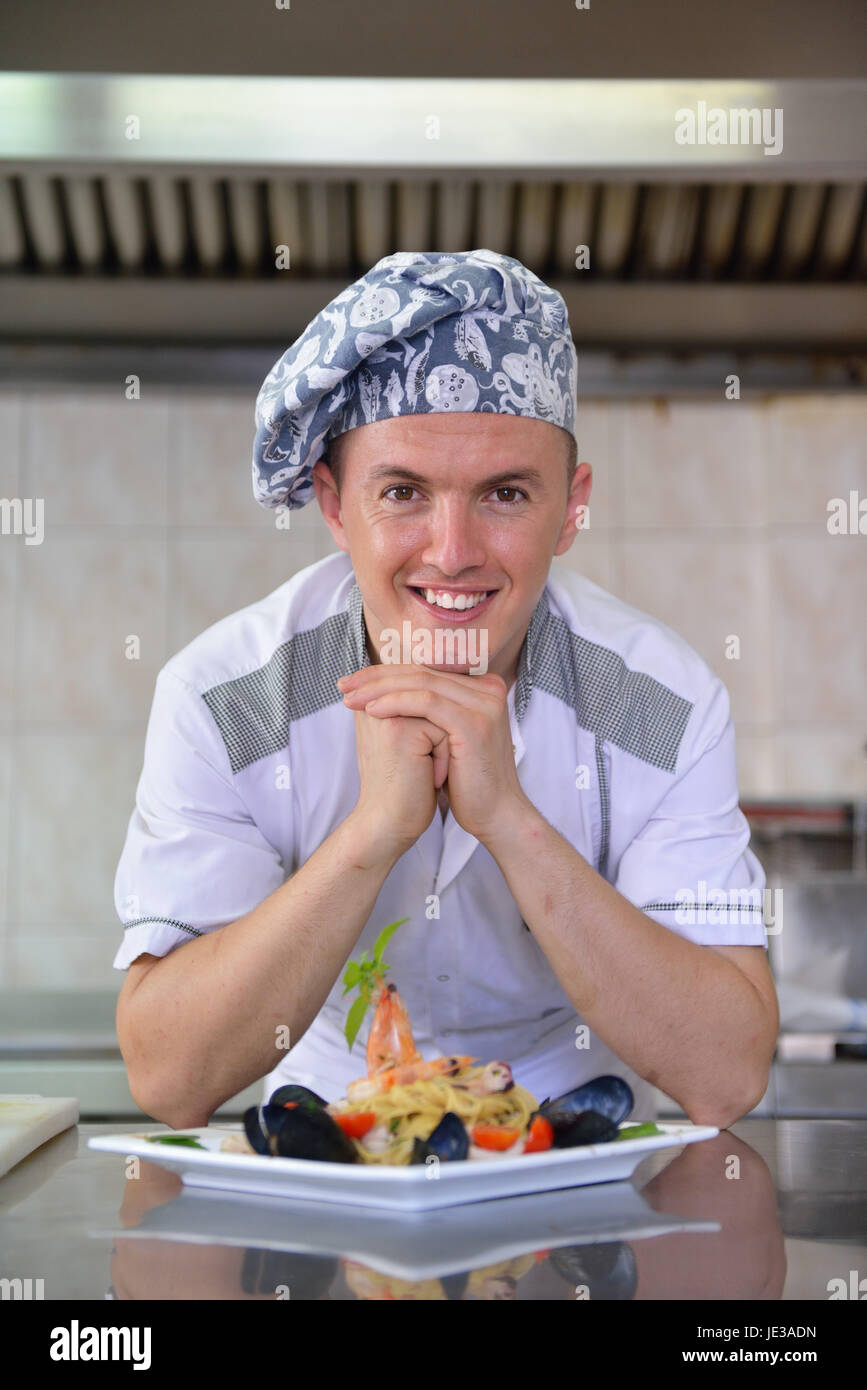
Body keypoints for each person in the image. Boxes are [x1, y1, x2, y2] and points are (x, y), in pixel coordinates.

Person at [114, 249, 778, 1130]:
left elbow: (725, 1075)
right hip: (326, 1139)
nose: (453, 550)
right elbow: (168, 1077)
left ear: (571, 508)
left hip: (570, 1151)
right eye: (403, 492)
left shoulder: (668, 704)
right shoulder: (224, 699)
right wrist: (372, 833)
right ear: (333, 504)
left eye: (504, 493)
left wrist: (507, 817)